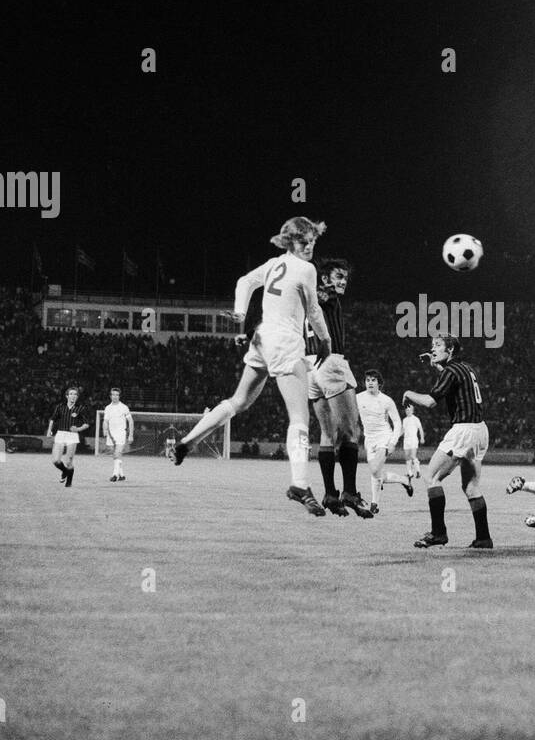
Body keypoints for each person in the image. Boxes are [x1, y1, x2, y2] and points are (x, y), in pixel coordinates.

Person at [172, 216, 331, 516]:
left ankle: (187, 442)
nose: (309, 247)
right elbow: (313, 309)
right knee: (300, 417)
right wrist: (325, 339)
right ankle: (299, 484)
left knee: (239, 401)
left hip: (261, 338)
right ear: (290, 242)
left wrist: (240, 312)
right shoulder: (307, 269)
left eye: (312, 241)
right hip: (284, 341)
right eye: (303, 242)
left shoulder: (273, 264)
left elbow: (244, 282)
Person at [404, 336, 493, 549]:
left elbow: (430, 402)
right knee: (471, 487)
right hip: (480, 430)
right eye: (432, 346)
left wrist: (408, 393)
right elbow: (451, 379)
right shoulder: (465, 368)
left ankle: (438, 533)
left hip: (463, 431)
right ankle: (483, 538)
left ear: (450, 349)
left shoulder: (451, 371)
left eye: (437, 345)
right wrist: (436, 365)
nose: (432, 349)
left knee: (431, 477)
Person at [306, 259, 372, 517]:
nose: (343, 281)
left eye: (345, 277)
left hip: (309, 365)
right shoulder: (325, 294)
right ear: (324, 279)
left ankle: (330, 494)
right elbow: (322, 295)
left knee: (327, 434)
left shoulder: (303, 299)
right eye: (338, 276)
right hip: (330, 362)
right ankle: (350, 492)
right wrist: (321, 290)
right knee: (351, 431)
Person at [354, 370, 414, 511]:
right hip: (369, 439)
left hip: (384, 437)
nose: (370, 383)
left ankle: (374, 504)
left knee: (375, 469)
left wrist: (392, 442)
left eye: (373, 380)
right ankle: (404, 480)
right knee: (376, 473)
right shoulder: (358, 398)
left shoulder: (386, 400)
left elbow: (397, 423)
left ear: (379, 383)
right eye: (368, 380)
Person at [47, 385, 90, 487]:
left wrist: (78, 429)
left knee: (69, 461)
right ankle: (65, 471)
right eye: (71, 394)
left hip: (72, 436)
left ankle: (69, 483)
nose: (73, 396)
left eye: (75, 394)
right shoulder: (60, 407)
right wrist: (49, 431)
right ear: (67, 396)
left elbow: (86, 424)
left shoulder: (80, 408)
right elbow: (52, 419)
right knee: (56, 460)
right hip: (61, 434)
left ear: (77, 397)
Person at [103, 387, 134, 482]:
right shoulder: (108, 408)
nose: (115, 396)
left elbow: (130, 421)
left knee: (117, 453)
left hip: (121, 433)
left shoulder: (124, 407)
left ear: (119, 396)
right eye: (113, 394)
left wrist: (131, 435)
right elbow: (105, 421)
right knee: (114, 454)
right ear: (110, 396)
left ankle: (115, 475)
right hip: (110, 434)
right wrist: (104, 429)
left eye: (117, 395)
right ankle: (121, 475)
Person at [401, 403, 425, 481]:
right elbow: (403, 430)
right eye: (406, 410)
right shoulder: (404, 420)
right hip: (406, 440)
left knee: (413, 456)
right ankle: (410, 473)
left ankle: (418, 471)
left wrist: (422, 438)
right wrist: (396, 437)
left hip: (413, 439)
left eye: (409, 410)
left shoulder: (416, 419)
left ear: (412, 411)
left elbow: (420, 429)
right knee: (407, 456)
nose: (408, 411)